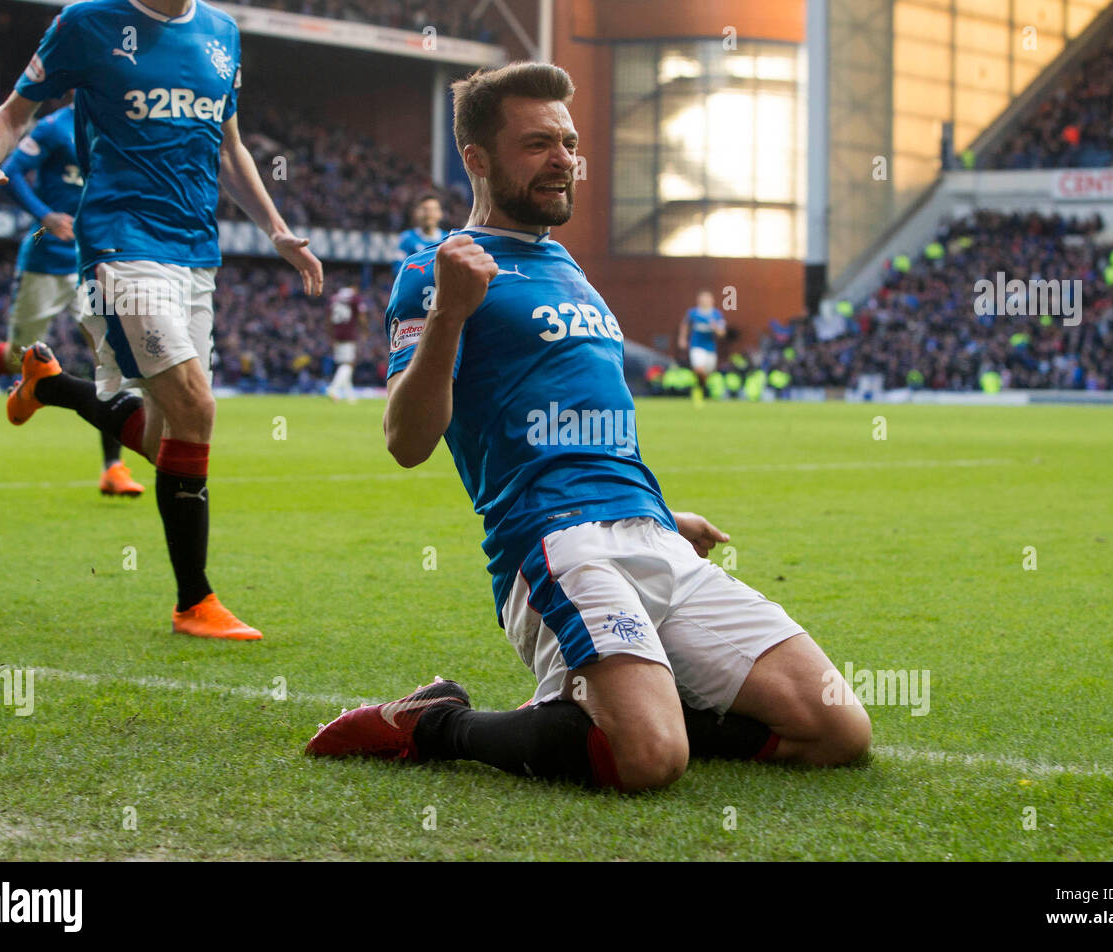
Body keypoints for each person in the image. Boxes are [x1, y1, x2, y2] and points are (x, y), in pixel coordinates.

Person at [305, 63, 870, 791]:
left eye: (569, 142)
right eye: (538, 143)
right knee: (648, 760)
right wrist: (450, 311)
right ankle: (432, 722)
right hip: (552, 543)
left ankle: (613, 706)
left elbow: (589, 423)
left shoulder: (566, 264)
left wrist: (657, 513)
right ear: (476, 158)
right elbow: (406, 442)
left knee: (835, 729)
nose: (564, 160)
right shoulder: (436, 270)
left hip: (649, 533)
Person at [0, 0, 323, 640]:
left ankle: (48, 386)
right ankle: (195, 601)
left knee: (167, 443)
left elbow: (230, 146)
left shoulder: (223, 34)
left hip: (195, 252)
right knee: (197, 409)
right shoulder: (86, 22)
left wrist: (276, 228)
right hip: (119, 243)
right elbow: (12, 113)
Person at [0, 102, 144, 497]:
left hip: (93, 262)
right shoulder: (53, 127)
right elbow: (10, 171)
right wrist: (46, 216)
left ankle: (113, 468)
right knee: (18, 356)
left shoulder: (117, 124)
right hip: (45, 256)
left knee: (110, 356)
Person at [676, 289, 726, 407]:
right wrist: (682, 339)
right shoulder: (693, 313)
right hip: (696, 346)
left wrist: (716, 328)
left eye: (707, 299)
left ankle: (700, 388)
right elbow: (685, 325)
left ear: (712, 300)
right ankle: (698, 391)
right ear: (699, 300)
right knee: (699, 370)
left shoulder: (717, 314)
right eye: (702, 299)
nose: (705, 301)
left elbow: (722, 333)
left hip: (710, 348)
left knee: (707, 374)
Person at [325, 285, 368, 403]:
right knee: (349, 364)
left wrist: (330, 336)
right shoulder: (354, 298)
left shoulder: (334, 298)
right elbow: (361, 315)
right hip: (349, 333)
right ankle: (333, 388)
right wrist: (365, 331)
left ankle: (350, 396)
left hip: (336, 334)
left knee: (343, 364)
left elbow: (328, 318)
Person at [391, 193, 447, 281]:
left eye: (433, 209)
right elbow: (398, 269)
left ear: (440, 214)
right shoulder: (407, 238)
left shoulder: (448, 240)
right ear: (416, 213)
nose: (429, 214)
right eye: (425, 209)